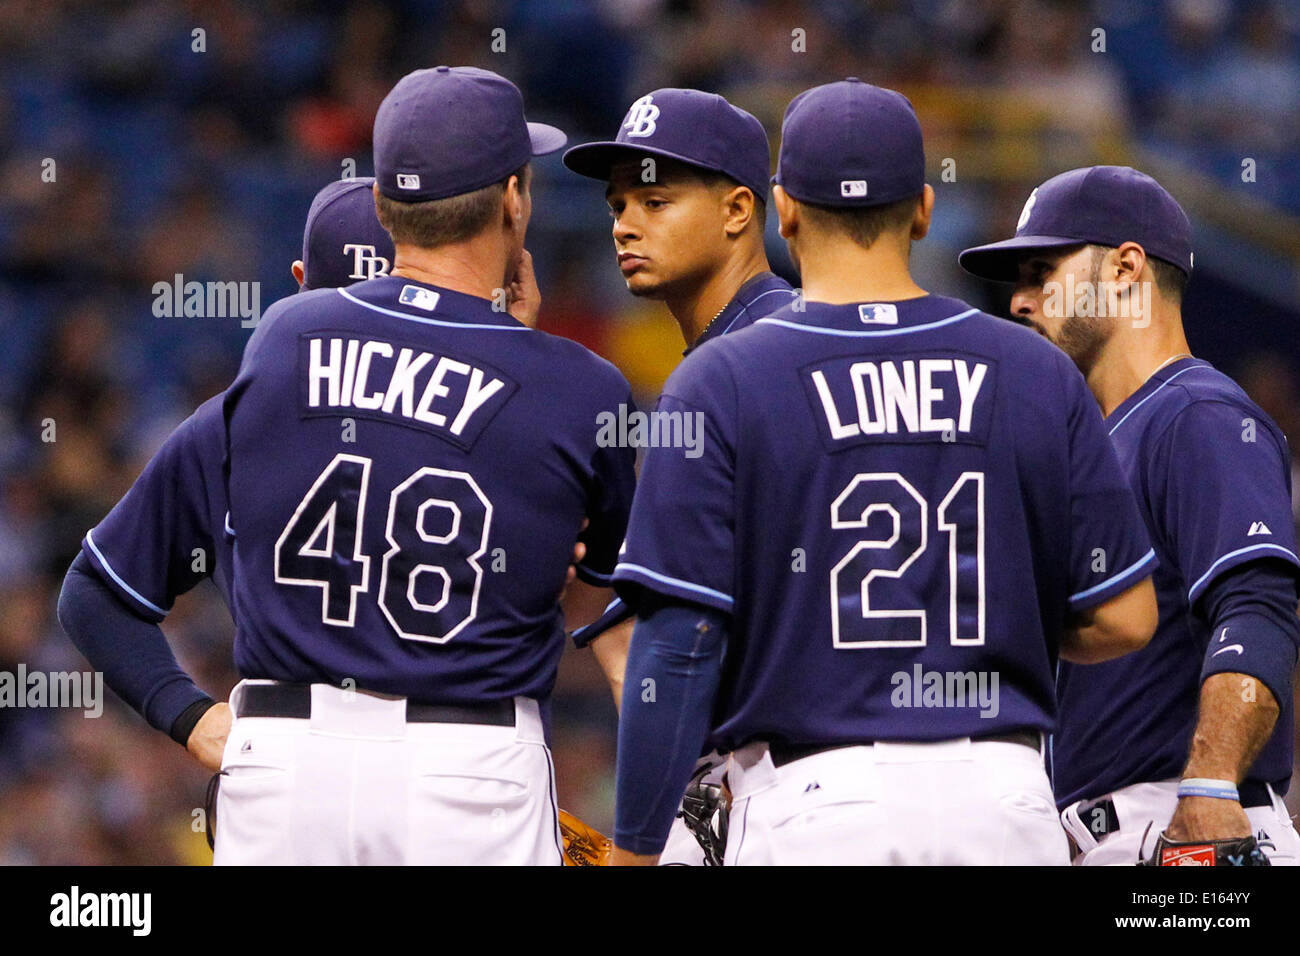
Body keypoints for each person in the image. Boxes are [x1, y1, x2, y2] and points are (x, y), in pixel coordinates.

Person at [67, 66, 637, 866]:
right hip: (469, 774)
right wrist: (528, 361)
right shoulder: (579, 388)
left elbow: (93, 591)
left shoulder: (282, 339)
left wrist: (188, 713)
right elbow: (625, 602)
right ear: (514, 198)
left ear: (381, 204)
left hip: (285, 769)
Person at [608, 79, 1158, 866]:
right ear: (925, 210)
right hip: (1003, 796)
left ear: (783, 209)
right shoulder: (1033, 368)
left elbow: (680, 643)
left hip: (819, 799)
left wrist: (633, 852)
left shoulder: (724, 377)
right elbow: (1127, 618)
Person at [960, 165, 1300, 865]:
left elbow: (1258, 606)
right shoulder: (1103, 440)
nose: (1020, 301)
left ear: (1125, 267)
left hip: (1182, 824)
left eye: (1042, 270)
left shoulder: (1197, 414)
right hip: (1110, 831)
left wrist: (1209, 784)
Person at [59, 176, 396, 761]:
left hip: (286, 753)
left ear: (298, 285)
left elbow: (92, 592)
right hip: (451, 749)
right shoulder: (484, 417)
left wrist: (188, 713)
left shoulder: (232, 421)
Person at [562, 87, 798, 864]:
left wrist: (637, 850)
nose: (625, 222)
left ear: (739, 211)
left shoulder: (755, 362)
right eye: (618, 203)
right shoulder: (747, 351)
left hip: (803, 785)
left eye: (656, 200)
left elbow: (690, 643)